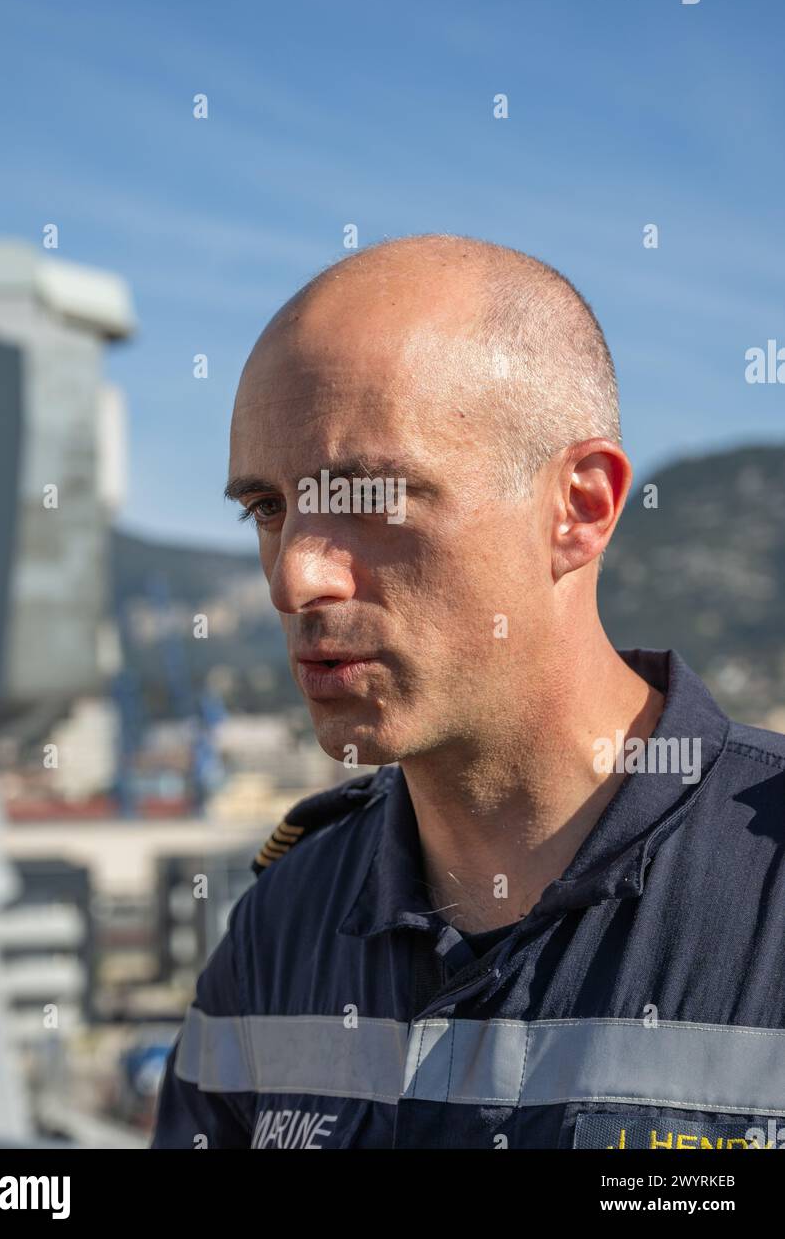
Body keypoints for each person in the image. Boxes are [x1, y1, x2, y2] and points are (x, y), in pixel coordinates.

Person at [151, 234, 785, 1150]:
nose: (295, 578)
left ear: (580, 508)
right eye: (267, 509)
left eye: (370, 496)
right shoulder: (282, 929)